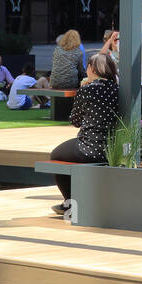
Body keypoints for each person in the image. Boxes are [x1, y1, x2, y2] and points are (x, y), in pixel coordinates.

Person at [49, 52, 120, 216]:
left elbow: (75, 120)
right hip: (112, 147)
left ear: (92, 69)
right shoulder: (118, 89)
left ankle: (69, 202)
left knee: (56, 155)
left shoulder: (87, 89)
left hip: (88, 146)